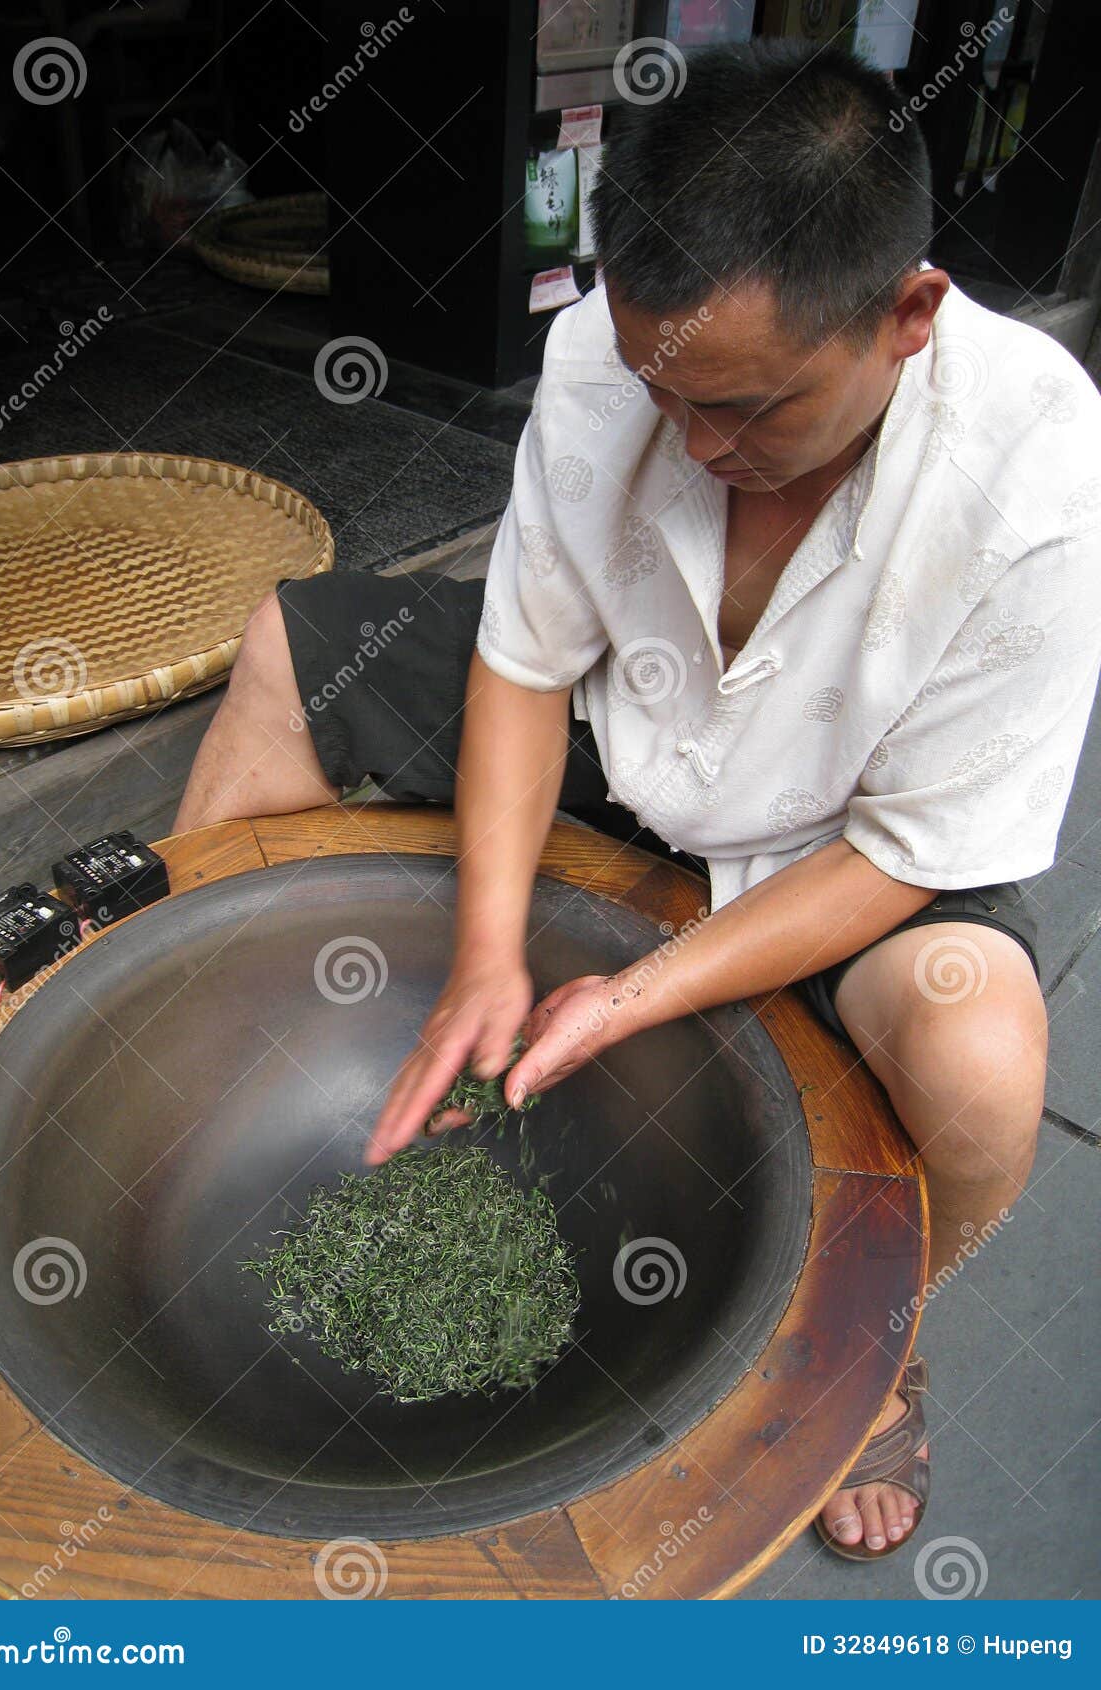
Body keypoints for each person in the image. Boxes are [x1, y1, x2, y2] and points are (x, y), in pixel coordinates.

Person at [173, 39, 1101, 1563]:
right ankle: (239, 1107)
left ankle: (880, 1354)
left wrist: (632, 992)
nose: (697, 448)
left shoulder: (1041, 466)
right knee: (288, 651)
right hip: (638, 730)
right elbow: (527, 663)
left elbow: (916, 846)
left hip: (843, 832)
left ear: (907, 316)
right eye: (667, 395)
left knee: (983, 1051)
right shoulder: (621, 353)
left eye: (750, 411)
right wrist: (489, 950)